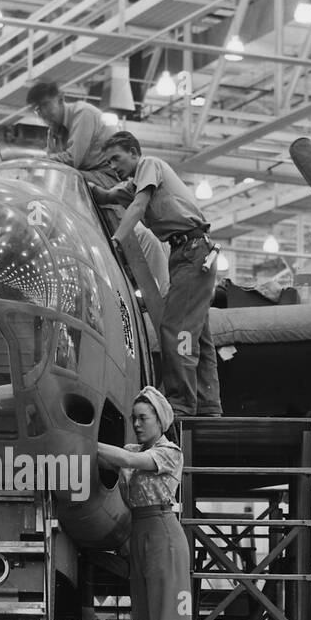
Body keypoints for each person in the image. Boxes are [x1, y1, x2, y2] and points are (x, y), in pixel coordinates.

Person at [96, 131, 222, 419]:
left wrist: (116, 241)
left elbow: (138, 206)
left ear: (133, 151)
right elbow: (108, 195)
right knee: (197, 335)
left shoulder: (148, 165)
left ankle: (180, 402)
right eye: (109, 162)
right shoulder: (134, 184)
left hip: (192, 252)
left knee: (177, 329)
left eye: (116, 158)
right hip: (185, 253)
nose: (113, 166)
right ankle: (208, 403)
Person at [96, 386, 199, 620]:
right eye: (134, 418)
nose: (137, 424)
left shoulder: (168, 452)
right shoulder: (134, 449)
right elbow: (119, 457)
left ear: (160, 420)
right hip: (140, 533)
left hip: (163, 532)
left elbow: (125, 461)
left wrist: (85, 443)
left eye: (143, 418)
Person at [27, 79, 170, 293]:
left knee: (67, 181)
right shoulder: (53, 133)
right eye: (38, 110)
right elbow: (54, 169)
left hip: (104, 177)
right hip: (82, 179)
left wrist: (36, 162)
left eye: (46, 106)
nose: (44, 113)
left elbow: (70, 160)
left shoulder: (82, 114)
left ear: (61, 100)